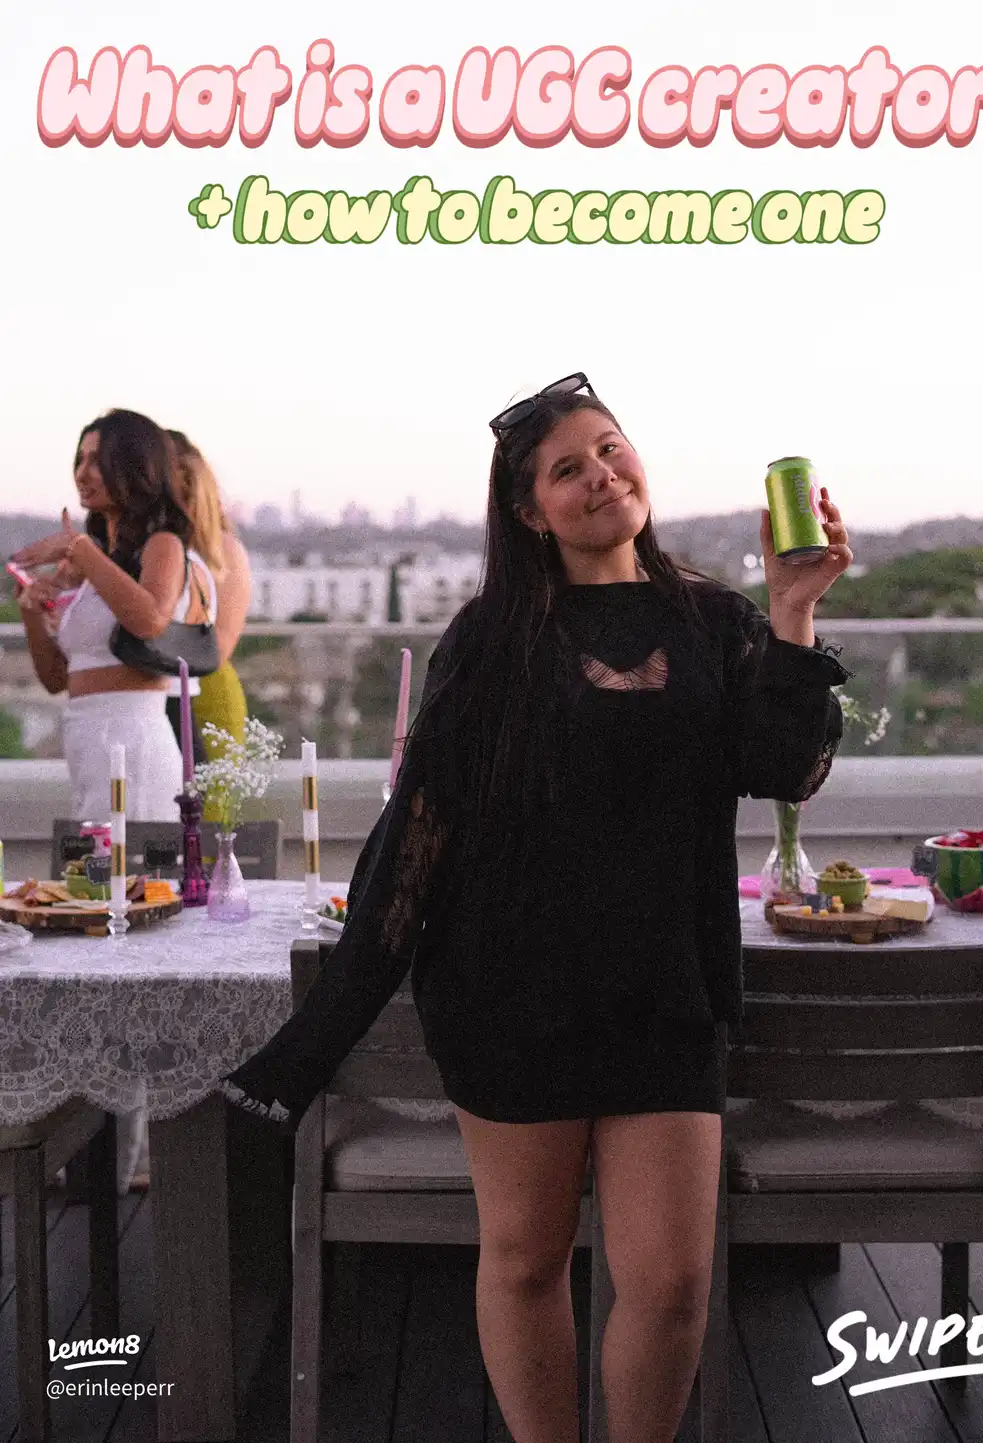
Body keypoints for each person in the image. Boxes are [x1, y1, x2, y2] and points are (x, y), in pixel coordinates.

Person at [219, 374, 853, 1443]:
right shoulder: (492, 640)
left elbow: (785, 768)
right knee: (523, 1262)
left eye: (611, 450)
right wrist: (316, 1036)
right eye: (569, 469)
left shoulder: (717, 622)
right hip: (511, 993)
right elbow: (419, 834)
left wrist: (794, 610)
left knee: (671, 1281)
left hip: (666, 992)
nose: (603, 476)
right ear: (528, 510)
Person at [13, 408, 215, 1196]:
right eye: (80, 457)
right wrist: (37, 615)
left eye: (100, 458)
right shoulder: (95, 554)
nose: (85, 470)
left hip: (138, 743)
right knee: (92, 932)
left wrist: (83, 554)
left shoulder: (159, 545)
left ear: (138, 466)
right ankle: (106, 1146)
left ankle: (147, 1151)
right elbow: (60, 677)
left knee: (140, 935)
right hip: (87, 743)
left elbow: (150, 619)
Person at [166, 431, 252, 778]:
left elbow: (220, 646)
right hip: (161, 699)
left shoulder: (224, 550)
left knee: (207, 818)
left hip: (207, 697)